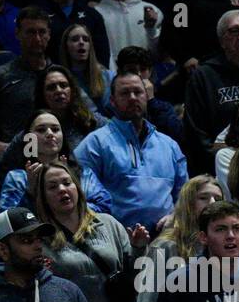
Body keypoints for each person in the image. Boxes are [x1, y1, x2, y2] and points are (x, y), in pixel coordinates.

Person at [32, 160, 148, 302]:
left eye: (67, 183)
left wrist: (138, 249)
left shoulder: (108, 224)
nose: (62, 190)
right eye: (52, 187)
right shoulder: (40, 237)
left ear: (77, 187)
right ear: (43, 196)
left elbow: (133, 278)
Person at [74, 72, 187, 233]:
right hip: (117, 240)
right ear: (112, 101)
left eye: (138, 92)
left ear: (146, 96)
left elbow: (185, 195)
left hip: (165, 237)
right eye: (125, 93)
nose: (133, 97)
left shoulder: (169, 145)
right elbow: (82, 198)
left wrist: (175, 215)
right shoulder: (95, 144)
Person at [182, 11, 239, 173]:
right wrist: (226, 162)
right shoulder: (204, 76)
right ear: (222, 41)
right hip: (218, 167)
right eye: (234, 31)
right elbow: (196, 133)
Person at [0, 111, 111, 214]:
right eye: (41, 130)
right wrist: (30, 193)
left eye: (55, 129)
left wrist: (70, 198)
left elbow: (104, 207)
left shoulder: (84, 174)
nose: (50, 134)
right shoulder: (17, 178)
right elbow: (8, 222)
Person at [0, 7, 52, 158]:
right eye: (31, 32)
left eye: (42, 32)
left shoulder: (59, 77)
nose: (37, 38)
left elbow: (86, 113)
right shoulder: (0, 77)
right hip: (15, 161)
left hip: (55, 160)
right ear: (18, 34)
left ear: (49, 35)